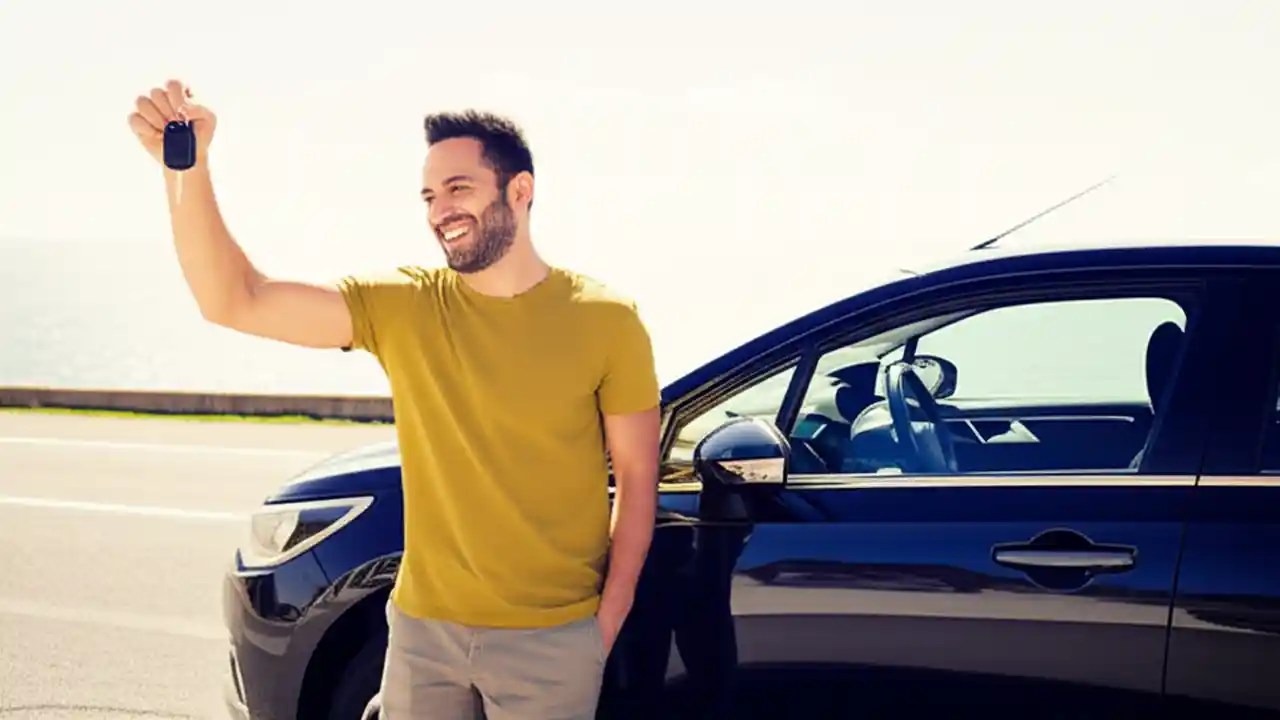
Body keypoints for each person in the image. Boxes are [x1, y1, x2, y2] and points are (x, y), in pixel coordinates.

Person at [128, 79, 662, 719]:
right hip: (421, 639)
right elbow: (233, 299)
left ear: (520, 191)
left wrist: (601, 627)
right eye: (430, 196)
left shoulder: (606, 320)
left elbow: (636, 476)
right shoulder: (406, 307)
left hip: (552, 642)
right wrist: (184, 169)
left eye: (459, 188)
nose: (441, 210)